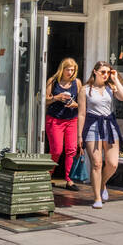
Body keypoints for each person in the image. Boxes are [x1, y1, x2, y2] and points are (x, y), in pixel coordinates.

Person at [79, 60, 123, 209]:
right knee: (97, 163)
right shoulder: (85, 89)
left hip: (109, 124)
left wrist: (115, 79)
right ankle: (97, 198)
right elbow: (81, 114)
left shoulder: (110, 87)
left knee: (112, 163)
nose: (105, 75)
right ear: (95, 72)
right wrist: (79, 136)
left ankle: (102, 184)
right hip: (92, 125)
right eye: (103, 72)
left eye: (108, 72)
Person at [45, 58, 82, 190]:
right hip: (55, 119)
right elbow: (44, 100)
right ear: (62, 69)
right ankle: (48, 176)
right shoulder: (53, 81)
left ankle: (69, 179)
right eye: (68, 69)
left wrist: (75, 104)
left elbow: (83, 103)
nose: (70, 72)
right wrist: (57, 98)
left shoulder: (77, 83)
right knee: (56, 150)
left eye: (72, 70)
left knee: (71, 149)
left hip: (71, 119)